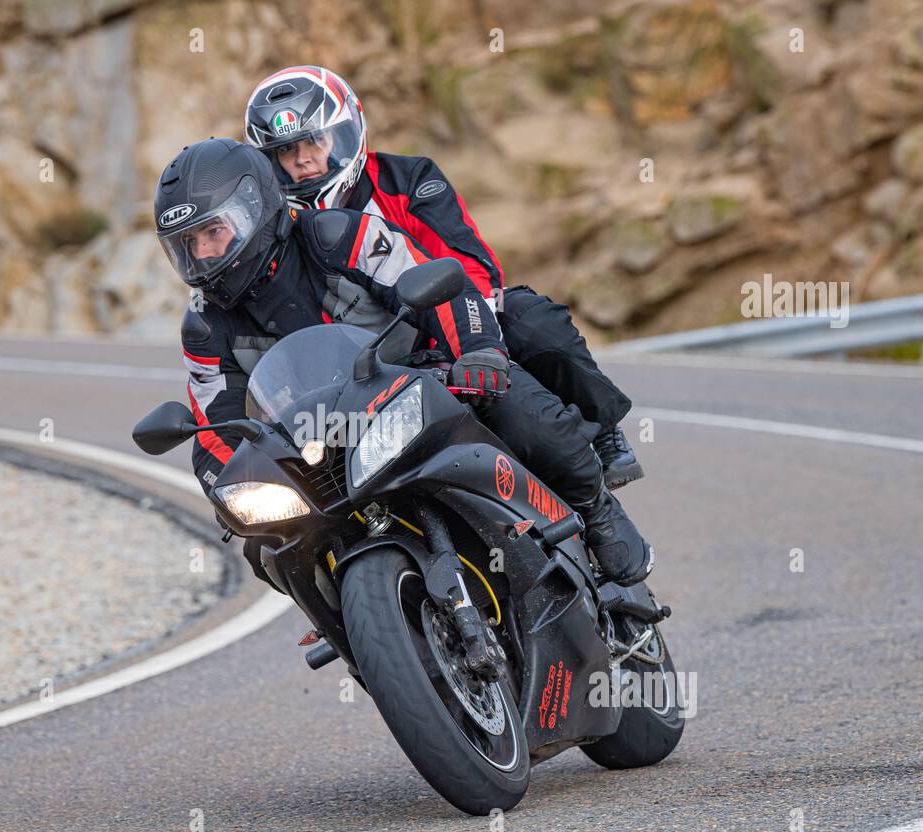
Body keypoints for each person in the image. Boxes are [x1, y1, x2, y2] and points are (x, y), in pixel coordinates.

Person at [157, 137, 653, 586]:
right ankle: (355, 634)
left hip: (418, 385)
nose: (202, 254)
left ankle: (598, 510)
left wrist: (478, 352)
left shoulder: (336, 235)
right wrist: (233, 486)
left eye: (212, 233)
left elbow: (440, 286)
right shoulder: (204, 324)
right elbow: (218, 430)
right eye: (188, 245)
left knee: (517, 404)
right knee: (263, 544)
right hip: (323, 446)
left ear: (253, 208)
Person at [242, 65, 643, 488]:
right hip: (366, 359)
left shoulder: (408, 179)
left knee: (527, 314)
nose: (304, 159)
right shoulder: (278, 225)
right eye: (287, 151)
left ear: (345, 132)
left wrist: (469, 342)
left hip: (455, 326)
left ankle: (602, 432)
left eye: (314, 141)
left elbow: (467, 260)